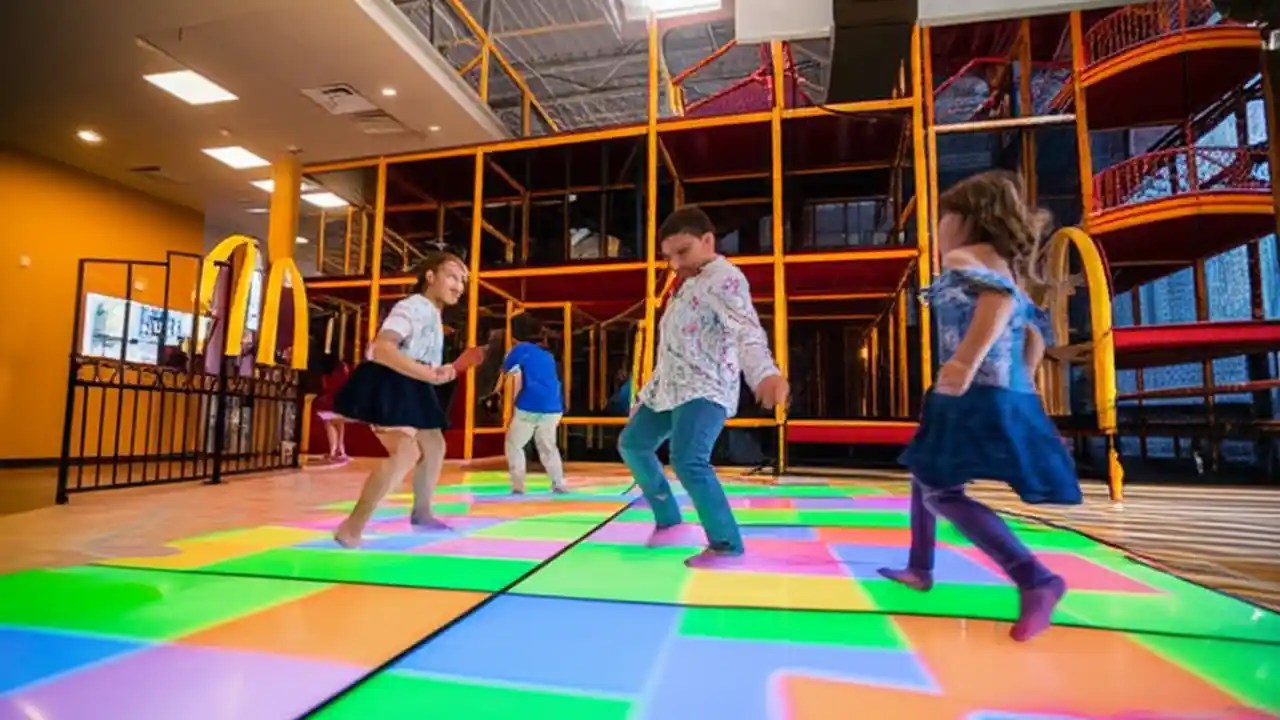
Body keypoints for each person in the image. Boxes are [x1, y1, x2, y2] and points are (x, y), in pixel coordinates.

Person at [876, 170, 1081, 642]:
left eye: (944, 219)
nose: (938, 230)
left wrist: (966, 363)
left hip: (972, 392)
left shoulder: (966, 257)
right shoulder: (1003, 263)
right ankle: (920, 567)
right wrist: (1022, 380)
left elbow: (999, 301)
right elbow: (1033, 330)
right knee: (925, 473)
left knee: (940, 491)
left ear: (968, 220)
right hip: (997, 390)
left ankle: (1036, 578)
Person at [618, 205, 788, 569]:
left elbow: (746, 330)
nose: (675, 263)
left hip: (705, 387)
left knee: (688, 460)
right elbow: (671, 350)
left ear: (708, 241)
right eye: (669, 256)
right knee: (633, 443)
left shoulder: (725, 279)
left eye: (683, 252)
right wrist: (645, 397)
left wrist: (765, 373)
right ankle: (668, 519)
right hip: (669, 389)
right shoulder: (685, 284)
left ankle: (726, 544)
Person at [331, 251, 485, 548]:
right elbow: (383, 348)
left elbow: (430, 369)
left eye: (463, 281)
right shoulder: (412, 306)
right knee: (406, 453)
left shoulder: (432, 315)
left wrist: (455, 368)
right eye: (452, 277)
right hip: (392, 381)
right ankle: (351, 527)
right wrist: (430, 374)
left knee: (434, 445)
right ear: (430, 276)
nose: (459, 286)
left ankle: (422, 513)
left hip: (412, 383)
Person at [490, 314, 568, 494]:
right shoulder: (548, 355)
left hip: (529, 404)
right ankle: (558, 483)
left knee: (514, 443)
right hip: (553, 406)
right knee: (548, 445)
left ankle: (518, 486)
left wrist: (496, 395)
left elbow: (506, 373)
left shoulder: (518, 350)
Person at [311, 359, 352, 465]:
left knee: (329, 423)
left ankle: (333, 451)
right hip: (342, 401)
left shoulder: (328, 374)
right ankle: (340, 449)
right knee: (339, 423)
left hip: (330, 401)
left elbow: (326, 386)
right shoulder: (344, 370)